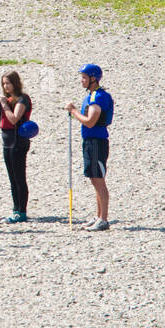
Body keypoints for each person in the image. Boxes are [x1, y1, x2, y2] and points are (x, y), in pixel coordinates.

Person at [67, 63, 112, 231]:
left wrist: (73, 111)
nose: (81, 81)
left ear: (93, 79)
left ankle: (104, 218)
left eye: (84, 78)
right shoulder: (92, 95)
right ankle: (98, 215)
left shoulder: (97, 97)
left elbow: (90, 121)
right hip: (90, 141)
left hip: (96, 141)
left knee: (98, 179)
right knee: (94, 179)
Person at [0, 71, 33, 222]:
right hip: (7, 141)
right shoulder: (8, 100)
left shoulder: (22, 99)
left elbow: (13, 119)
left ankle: (21, 211)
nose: (6, 86)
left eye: (8, 83)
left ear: (15, 83)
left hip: (18, 140)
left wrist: (4, 105)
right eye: (4, 83)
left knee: (19, 177)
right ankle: (15, 208)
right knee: (12, 177)